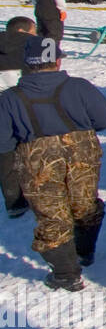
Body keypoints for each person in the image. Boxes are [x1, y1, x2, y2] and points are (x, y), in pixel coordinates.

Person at [0, 36, 106, 290]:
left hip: (37, 159)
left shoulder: (10, 98)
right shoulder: (79, 87)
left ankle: (65, 272)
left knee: (51, 214)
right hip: (82, 154)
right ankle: (85, 251)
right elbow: (103, 118)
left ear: (27, 64)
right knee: (85, 204)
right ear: (58, 60)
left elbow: (3, 142)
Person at [0, 17, 38, 217]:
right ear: (23, 31)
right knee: (33, 148)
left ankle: (14, 203)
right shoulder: (31, 46)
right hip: (25, 104)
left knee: (5, 154)